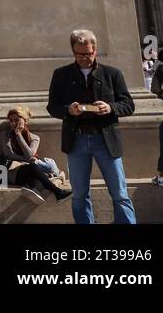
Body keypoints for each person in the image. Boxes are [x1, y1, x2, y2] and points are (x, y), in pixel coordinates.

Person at [45, 28, 136, 224]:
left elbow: (128, 104)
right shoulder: (61, 75)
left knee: (120, 193)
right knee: (79, 194)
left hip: (106, 140)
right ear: (73, 51)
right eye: (80, 54)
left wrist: (110, 107)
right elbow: (52, 107)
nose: (85, 58)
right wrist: (69, 110)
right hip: (76, 140)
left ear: (95, 49)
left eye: (89, 53)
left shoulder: (112, 74)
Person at [1, 106, 71, 203]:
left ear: (24, 121)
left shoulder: (35, 138)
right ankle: (58, 191)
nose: (13, 123)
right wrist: (26, 160)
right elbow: (9, 155)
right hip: (13, 173)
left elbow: (29, 155)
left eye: (17, 120)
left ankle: (37, 189)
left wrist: (19, 135)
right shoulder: (6, 135)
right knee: (34, 167)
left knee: (40, 172)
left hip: (29, 172)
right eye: (11, 120)